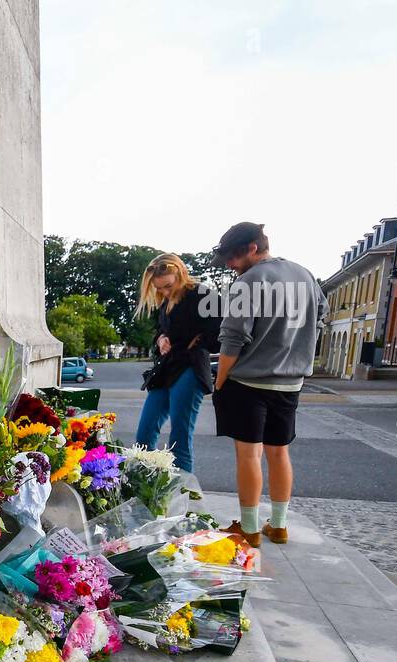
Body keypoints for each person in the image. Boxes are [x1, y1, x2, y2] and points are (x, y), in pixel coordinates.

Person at [211, 222, 325, 546]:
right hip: (290, 383)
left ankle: (248, 528)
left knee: (249, 455)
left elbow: (232, 339)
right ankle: (279, 525)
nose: (230, 266)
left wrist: (220, 383)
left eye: (232, 258)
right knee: (280, 453)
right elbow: (320, 317)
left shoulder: (248, 282)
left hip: (248, 382)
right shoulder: (305, 276)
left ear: (251, 248)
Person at [133, 253, 220, 473]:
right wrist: (161, 339)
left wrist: (198, 340)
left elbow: (220, 334)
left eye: (168, 286)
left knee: (179, 439)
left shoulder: (202, 294)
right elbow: (161, 330)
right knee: (144, 434)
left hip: (190, 368)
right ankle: (144, 488)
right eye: (158, 288)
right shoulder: (165, 302)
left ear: (180, 273)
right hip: (166, 369)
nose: (164, 292)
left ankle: (182, 498)